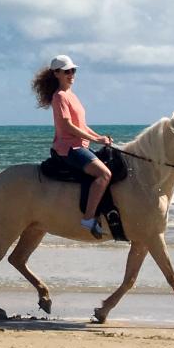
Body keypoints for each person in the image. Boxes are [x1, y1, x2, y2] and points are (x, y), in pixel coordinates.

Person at [32, 54, 111, 238]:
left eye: (73, 70)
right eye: (67, 71)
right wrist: (96, 140)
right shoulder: (59, 97)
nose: (71, 74)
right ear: (56, 73)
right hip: (68, 148)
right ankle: (88, 218)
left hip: (80, 146)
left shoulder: (72, 96)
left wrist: (98, 137)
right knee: (104, 174)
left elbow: (81, 125)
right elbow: (68, 126)